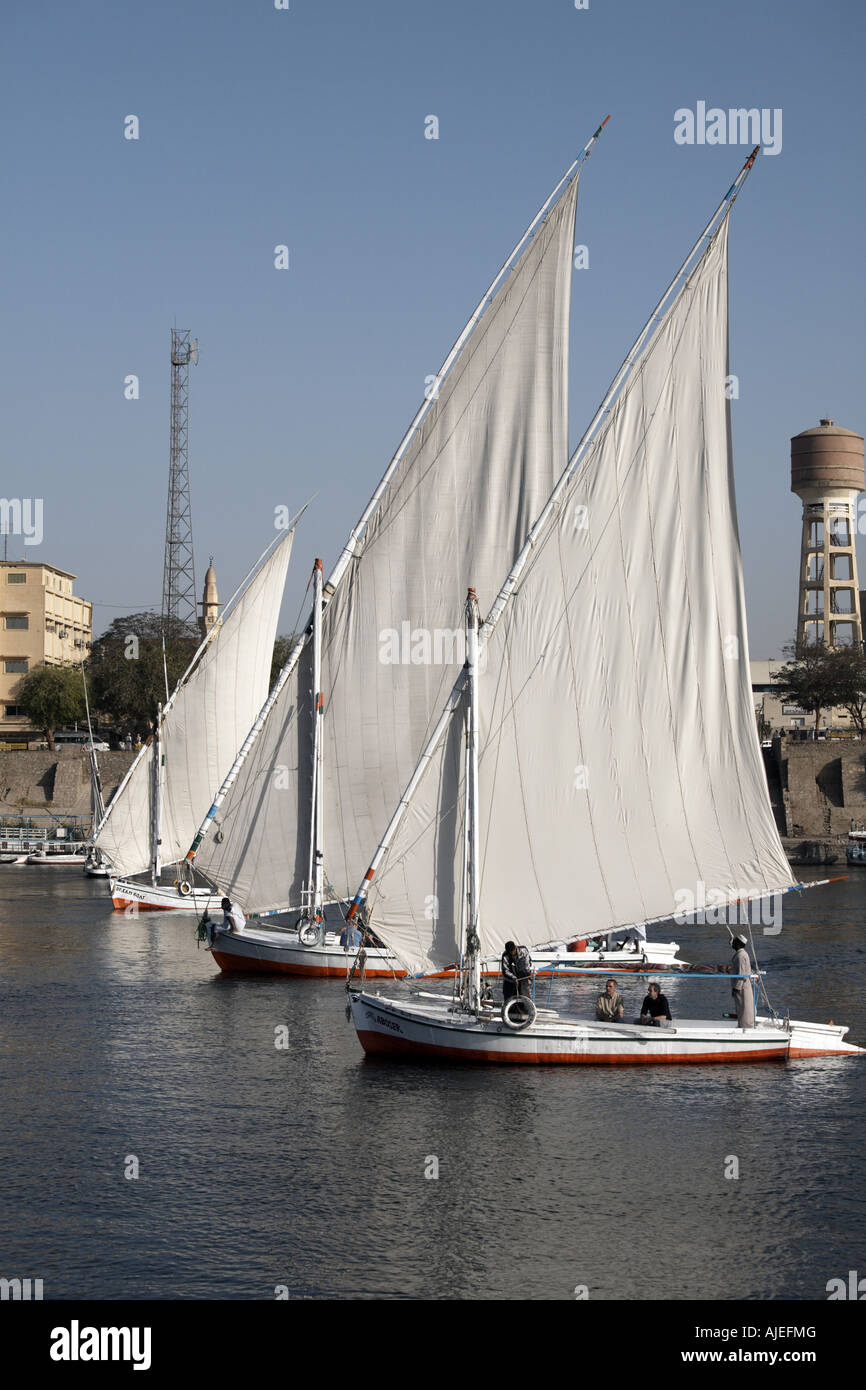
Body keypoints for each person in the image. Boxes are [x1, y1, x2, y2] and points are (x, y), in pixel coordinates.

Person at [729, 934, 755, 1029]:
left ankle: (746, 1027)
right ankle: (744, 1025)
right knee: (742, 1008)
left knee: (744, 1008)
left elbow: (741, 974)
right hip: (743, 985)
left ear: (739, 944)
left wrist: (736, 988)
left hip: (742, 987)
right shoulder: (741, 953)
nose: (733, 943)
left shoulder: (740, 956)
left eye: (735, 942)